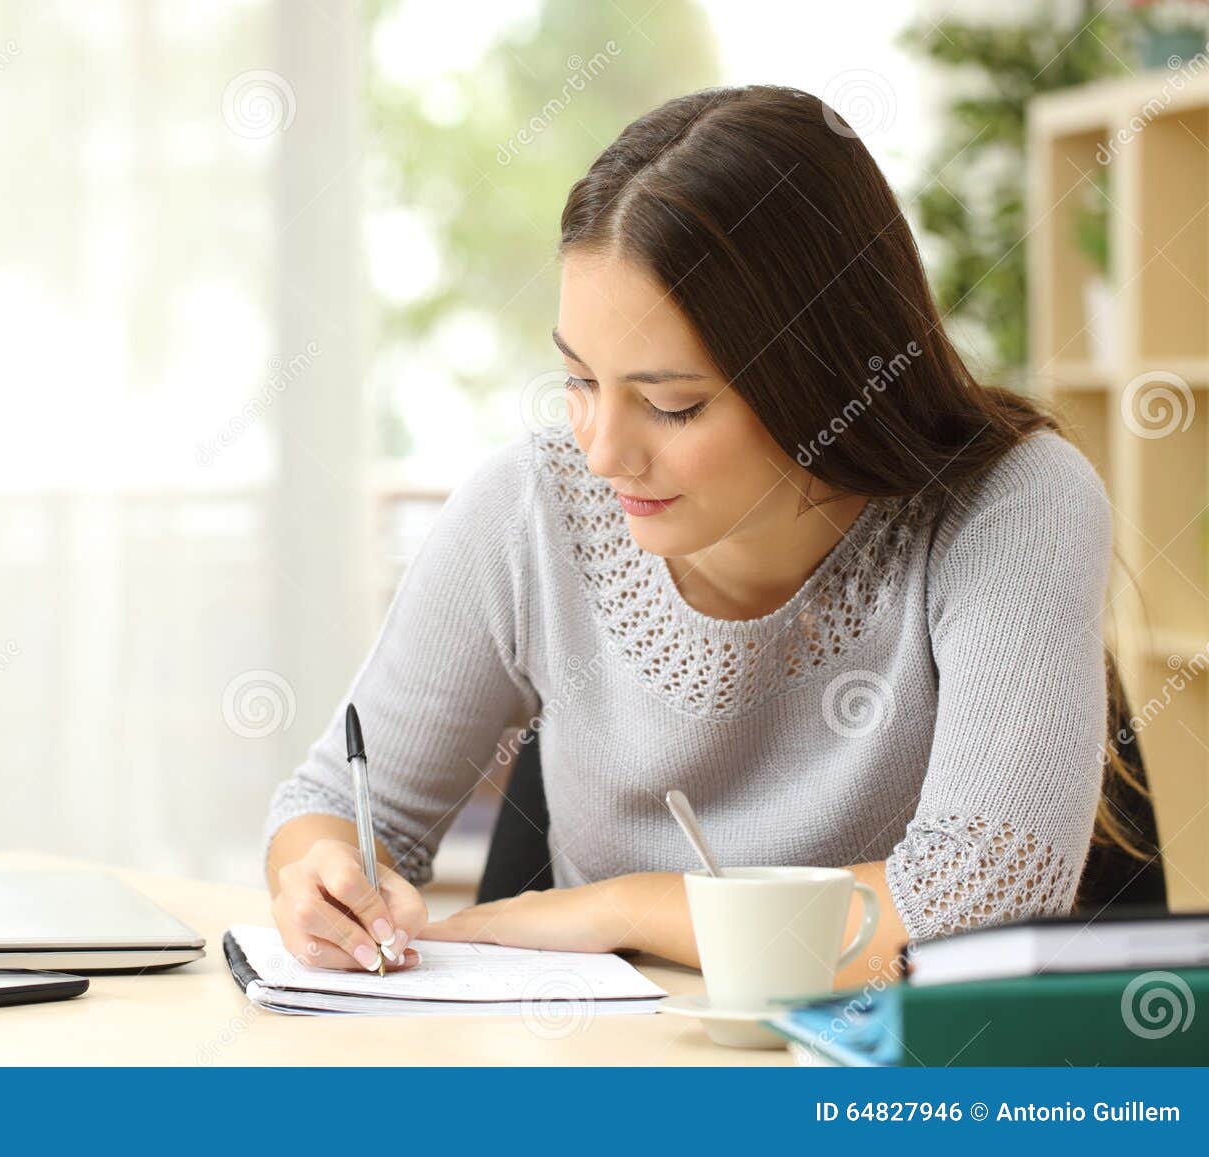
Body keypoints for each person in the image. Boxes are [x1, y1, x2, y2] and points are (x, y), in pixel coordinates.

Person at [263, 85, 1126, 980]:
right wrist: (328, 875)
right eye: (580, 381)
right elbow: (331, 803)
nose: (603, 453)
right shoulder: (531, 507)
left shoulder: (1011, 503)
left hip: (875, 1064)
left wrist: (620, 906)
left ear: (823, 377)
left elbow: (977, 912)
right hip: (609, 1053)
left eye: (672, 405)